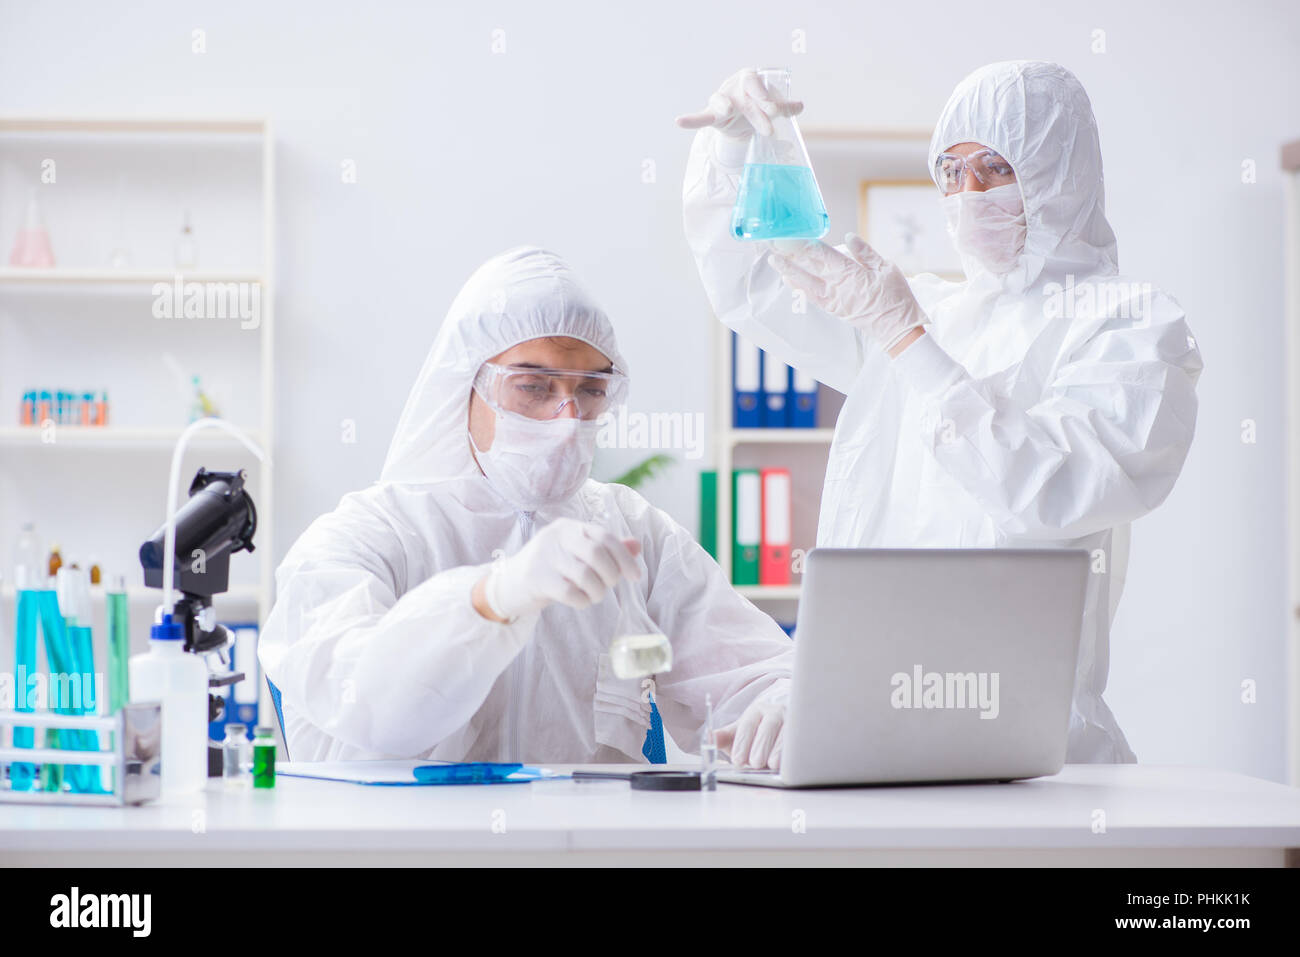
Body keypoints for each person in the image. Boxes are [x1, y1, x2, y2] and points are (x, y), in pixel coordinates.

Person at [678, 61, 1203, 762]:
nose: (969, 193)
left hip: (1042, 750)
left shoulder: (1132, 326)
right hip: (872, 726)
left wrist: (906, 340)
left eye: (995, 166)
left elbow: (1054, 491)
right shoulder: (929, 311)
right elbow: (758, 285)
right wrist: (739, 147)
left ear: (1063, 168)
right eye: (950, 173)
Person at [259, 246, 793, 769]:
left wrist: (782, 700)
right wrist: (491, 599)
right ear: (467, 386)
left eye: (590, 389)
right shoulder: (370, 534)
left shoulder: (634, 532)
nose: (567, 416)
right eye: (533, 386)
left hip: (584, 847)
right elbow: (369, 708)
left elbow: (747, 670)